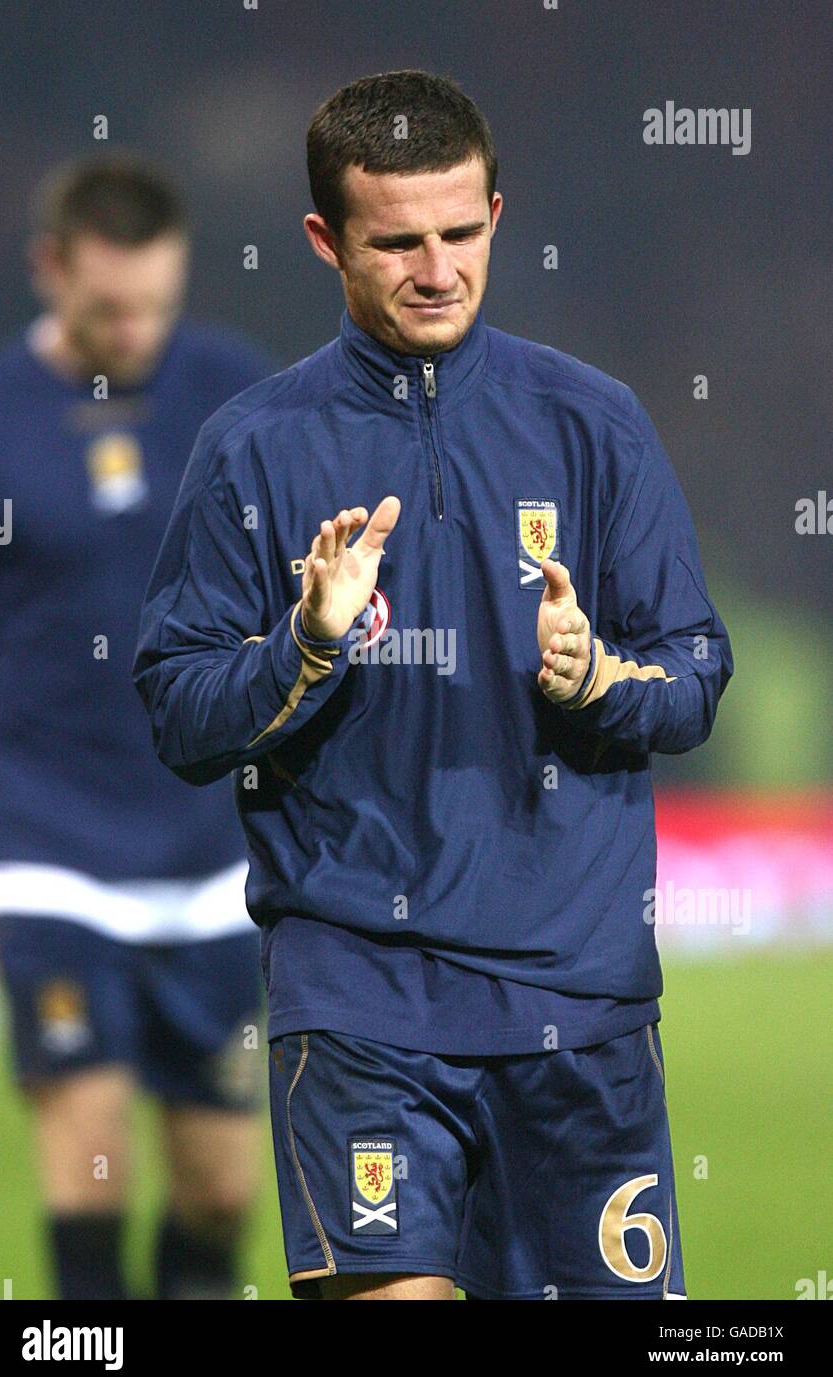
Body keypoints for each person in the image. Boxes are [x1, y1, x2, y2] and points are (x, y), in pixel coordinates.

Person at [134, 71, 733, 1301]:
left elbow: (692, 673)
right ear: (325, 242)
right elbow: (178, 714)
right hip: (360, 1001)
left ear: (498, 216)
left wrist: (599, 674)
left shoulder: (595, 424)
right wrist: (301, 645)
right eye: (396, 241)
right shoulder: (254, 446)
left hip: (579, 999)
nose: (437, 267)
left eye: (461, 232)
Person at [0, 154, 275, 1300]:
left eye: (157, 301)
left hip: (207, 849)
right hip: (47, 840)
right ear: (50, 271)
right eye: (110, 309)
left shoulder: (235, 393)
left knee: (219, 1189)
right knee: (90, 1147)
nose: (137, 329)